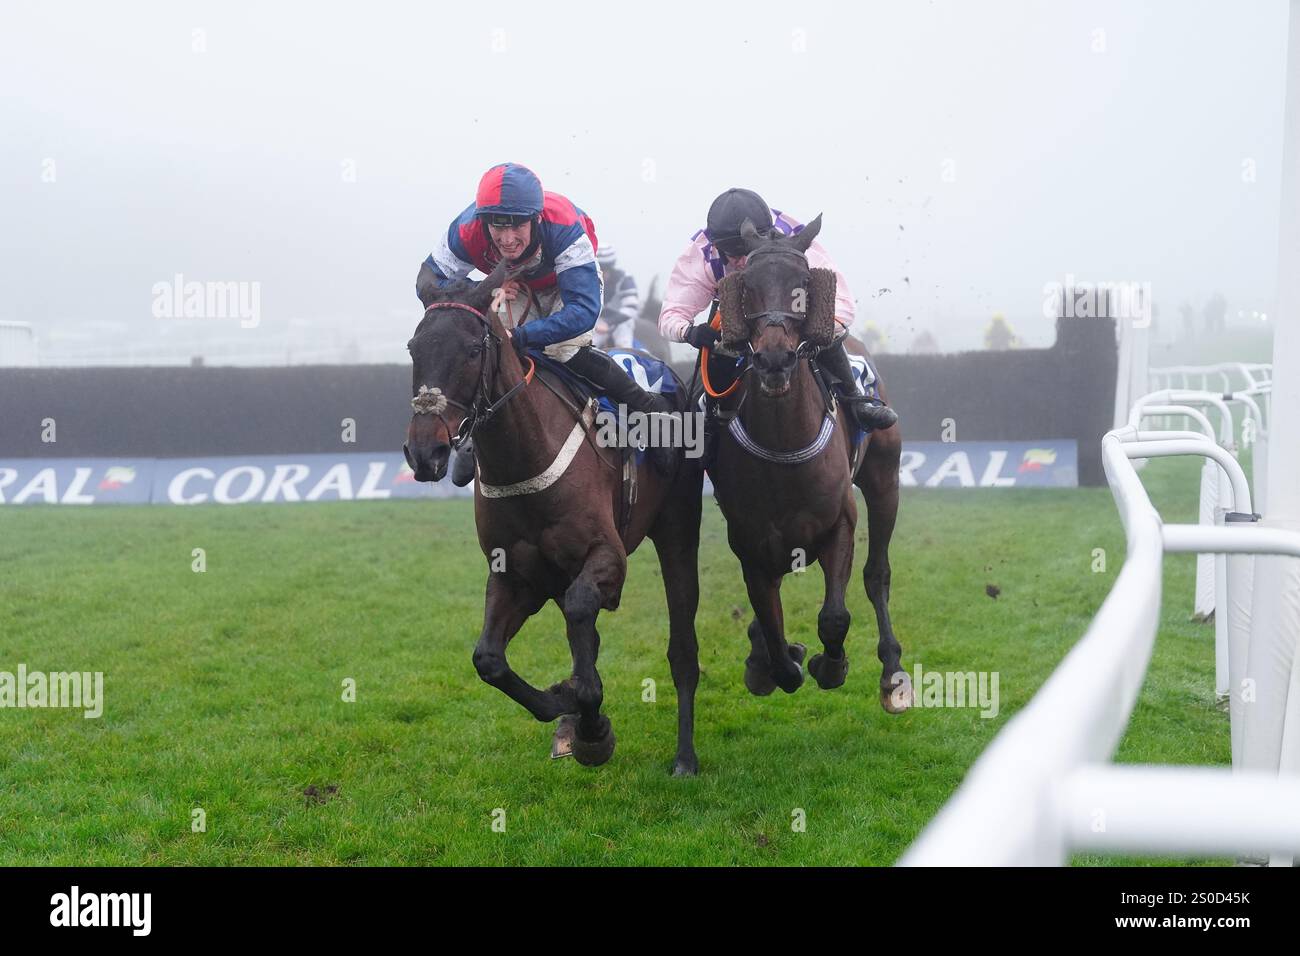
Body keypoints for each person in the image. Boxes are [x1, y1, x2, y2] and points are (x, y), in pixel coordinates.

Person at [421, 163, 674, 485]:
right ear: (483, 221)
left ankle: (649, 411)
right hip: (511, 281)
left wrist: (520, 336)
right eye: (498, 226)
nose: (508, 239)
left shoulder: (564, 226)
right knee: (487, 353)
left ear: (537, 219)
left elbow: (582, 311)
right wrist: (480, 289)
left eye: (518, 226)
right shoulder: (465, 229)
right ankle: (472, 438)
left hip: (566, 283)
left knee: (563, 347)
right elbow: (428, 281)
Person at [658, 187, 898, 434]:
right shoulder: (701, 255)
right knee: (697, 402)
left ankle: (855, 402)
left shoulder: (795, 239)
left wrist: (806, 331)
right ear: (717, 246)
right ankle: (706, 428)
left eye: (747, 252)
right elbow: (670, 316)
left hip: (794, 316)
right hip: (735, 317)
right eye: (733, 255)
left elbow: (843, 307)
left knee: (826, 330)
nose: (740, 262)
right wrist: (689, 332)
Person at [592, 244, 640, 351]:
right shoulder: (589, 280)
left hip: (621, 322)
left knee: (623, 342)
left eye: (605, 269)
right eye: (599, 268)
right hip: (597, 322)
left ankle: (626, 357)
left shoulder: (625, 279)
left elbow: (631, 308)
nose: (602, 273)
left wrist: (608, 323)